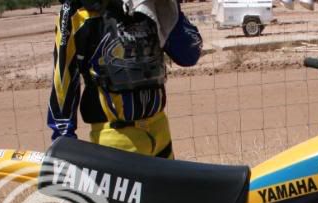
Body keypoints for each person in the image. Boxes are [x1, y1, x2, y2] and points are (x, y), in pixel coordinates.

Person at [47, 0, 202, 158]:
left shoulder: (152, 5)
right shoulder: (77, 11)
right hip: (115, 143)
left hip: (161, 136)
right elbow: (63, 79)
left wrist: (171, 10)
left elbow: (190, 55)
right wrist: (63, 142)